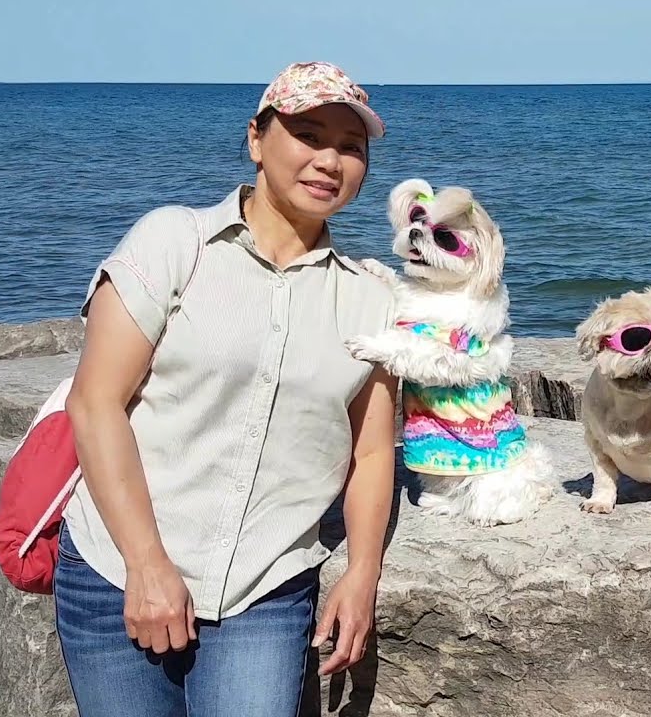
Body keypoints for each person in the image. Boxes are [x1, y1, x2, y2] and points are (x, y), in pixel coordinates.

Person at [56, 61, 399, 717]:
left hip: (262, 594)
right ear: (256, 139)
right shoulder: (174, 241)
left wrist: (362, 574)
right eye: (308, 134)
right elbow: (95, 401)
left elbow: (372, 452)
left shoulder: (372, 298)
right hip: (116, 571)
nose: (329, 159)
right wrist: (146, 563)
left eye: (350, 148)